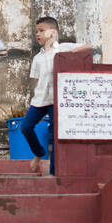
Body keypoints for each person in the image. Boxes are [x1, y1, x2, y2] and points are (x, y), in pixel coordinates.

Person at [23, 16, 92, 176]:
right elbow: (36, 81)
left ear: (52, 33)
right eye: (36, 31)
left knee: (54, 138)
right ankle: (39, 153)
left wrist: (70, 53)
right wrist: (35, 101)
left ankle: (53, 174)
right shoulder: (37, 58)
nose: (37, 34)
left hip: (57, 102)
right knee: (26, 127)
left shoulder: (62, 49)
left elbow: (89, 47)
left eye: (41, 31)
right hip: (40, 100)